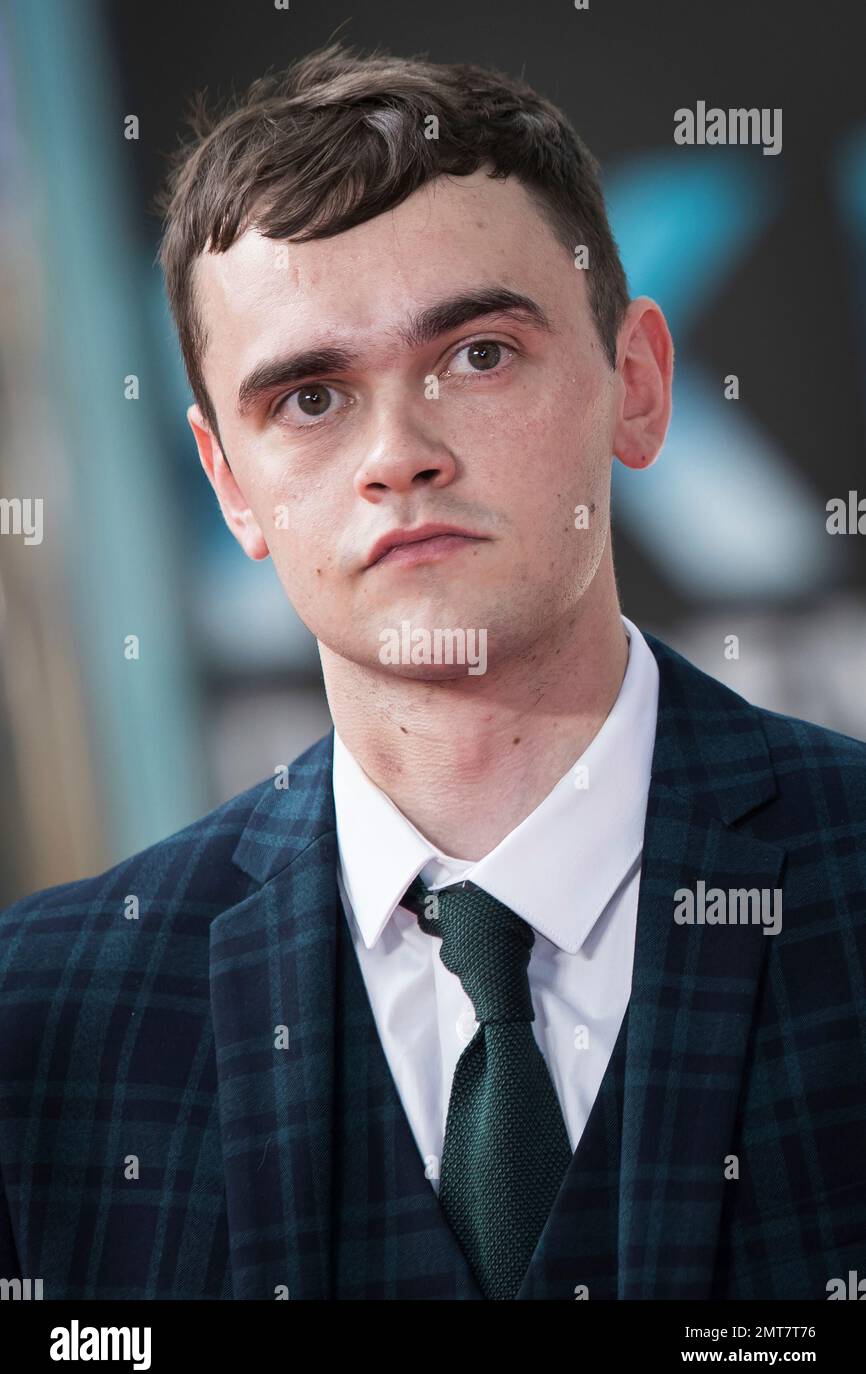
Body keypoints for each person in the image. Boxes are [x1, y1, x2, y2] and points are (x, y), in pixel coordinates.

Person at [1, 39, 864, 1302]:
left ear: (634, 382)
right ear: (226, 482)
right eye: (307, 397)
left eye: (475, 355)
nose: (397, 454)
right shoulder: (42, 1020)